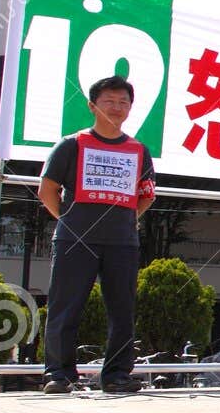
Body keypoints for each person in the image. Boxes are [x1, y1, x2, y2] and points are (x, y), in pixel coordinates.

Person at [37, 76, 156, 394]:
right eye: (109, 101)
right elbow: (47, 189)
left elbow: (146, 194)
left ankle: (117, 374)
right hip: (74, 239)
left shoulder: (138, 149)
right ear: (92, 106)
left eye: (123, 103)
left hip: (122, 242)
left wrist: (128, 219)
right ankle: (58, 374)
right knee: (66, 306)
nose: (117, 108)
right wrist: (68, 221)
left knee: (122, 308)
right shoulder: (71, 144)